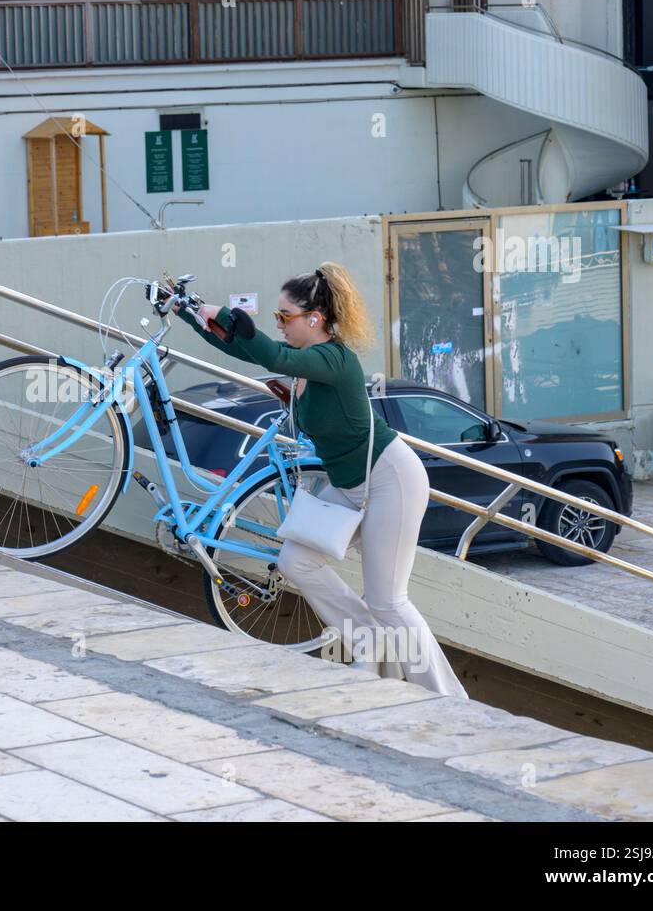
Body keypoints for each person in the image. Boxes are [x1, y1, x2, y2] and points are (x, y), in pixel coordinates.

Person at [171, 262, 468, 698]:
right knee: (296, 560)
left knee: (389, 600)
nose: (279, 326)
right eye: (275, 318)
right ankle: (367, 637)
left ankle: (449, 700)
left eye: (283, 318)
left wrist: (229, 314)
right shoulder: (307, 367)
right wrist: (190, 314)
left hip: (390, 479)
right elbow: (250, 352)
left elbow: (272, 354)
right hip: (348, 484)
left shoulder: (333, 359)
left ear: (315, 318)